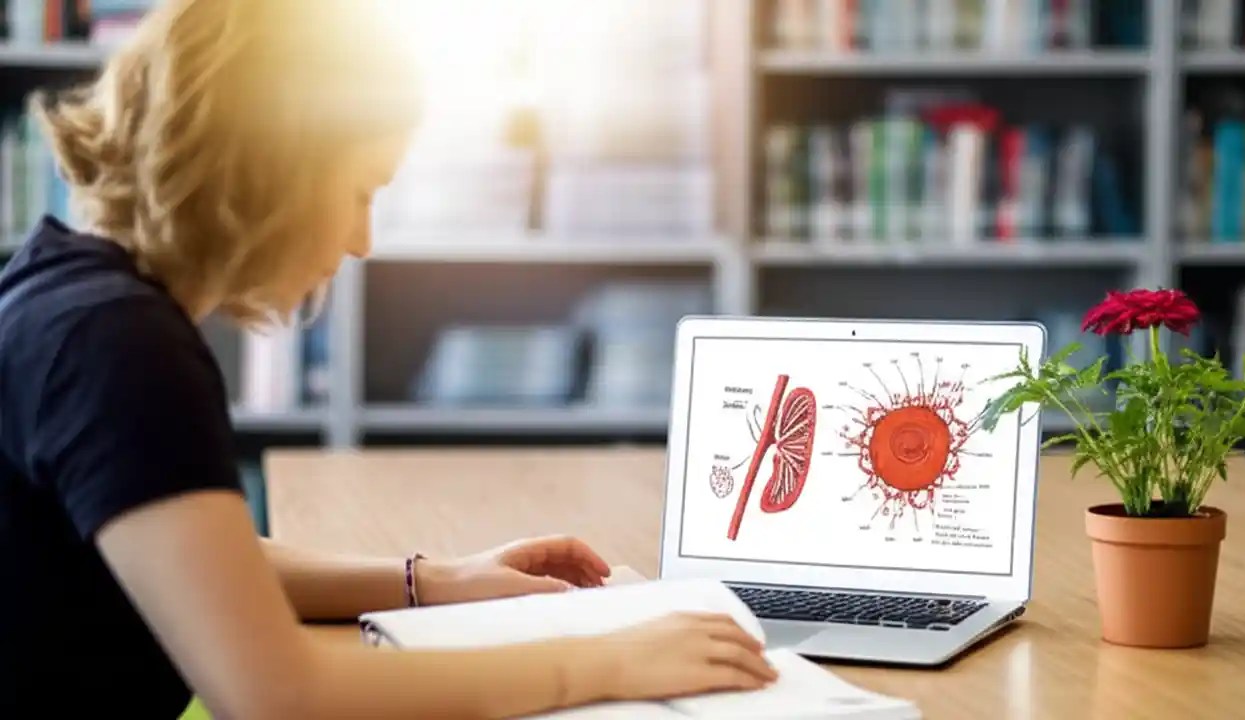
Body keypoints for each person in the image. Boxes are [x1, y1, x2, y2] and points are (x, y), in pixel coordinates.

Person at [0, 0, 777, 717]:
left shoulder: (61, 284)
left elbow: (192, 557)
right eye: (362, 192)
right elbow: (281, 697)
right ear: (274, 169)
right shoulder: (122, 347)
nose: (360, 241)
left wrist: (434, 580)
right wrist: (606, 663)